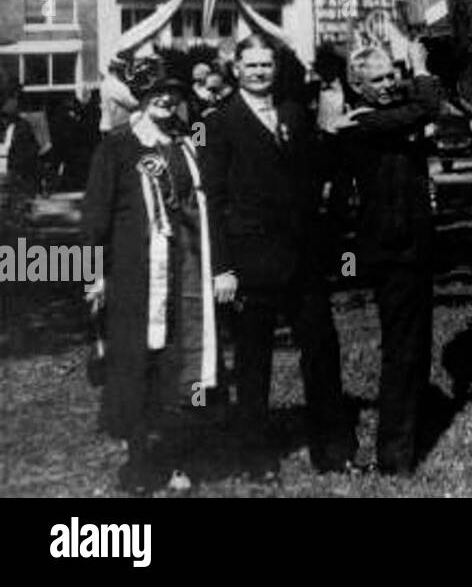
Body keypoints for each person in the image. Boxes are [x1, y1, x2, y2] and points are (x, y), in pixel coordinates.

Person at [200, 33, 356, 476]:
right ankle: (256, 458)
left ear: (276, 67)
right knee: (254, 363)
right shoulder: (219, 121)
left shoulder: (294, 114)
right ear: (236, 69)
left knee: (322, 351)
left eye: (266, 65)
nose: (259, 73)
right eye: (251, 66)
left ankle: (335, 451)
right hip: (249, 262)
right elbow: (211, 198)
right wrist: (222, 267)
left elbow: (315, 177)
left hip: (302, 257)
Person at [81, 72, 236, 494]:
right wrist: (93, 274)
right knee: (137, 364)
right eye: (157, 93)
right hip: (135, 275)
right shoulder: (117, 146)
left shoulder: (190, 144)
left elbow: (209, 208)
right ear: (141, 99)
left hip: (187, 270)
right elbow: (95, 215)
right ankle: (139, 461)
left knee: (182, 362)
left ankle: (179, 458)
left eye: (174, 93)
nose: (167, 100)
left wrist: (221, 265)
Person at [327, 40, 441, 474]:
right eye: (378, 80)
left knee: (414, 350)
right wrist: (418, 66)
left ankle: (402, 445)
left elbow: (422, 105)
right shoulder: (365, 123)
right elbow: (427, 105)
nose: (390, 84)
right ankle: (394, 457)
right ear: (358, 86)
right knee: (402, 352)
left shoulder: (379, 117)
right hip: (392, 253)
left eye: (393, 75)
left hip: (413, 247)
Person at [0, 76, 40, 240]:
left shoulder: (22, 127)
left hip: (14, 192)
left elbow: (31, 160)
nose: (17, 102)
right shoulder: (20, 127)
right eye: (14, 97)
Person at [99, 57, 140, 135]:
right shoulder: (116, 85)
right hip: (116, 130)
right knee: (141, 115)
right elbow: (133, 106)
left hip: (110, 129)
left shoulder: (106, 83)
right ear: (119, 70)